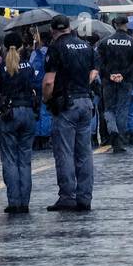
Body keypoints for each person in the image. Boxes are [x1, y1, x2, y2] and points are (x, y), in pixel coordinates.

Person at [42, 15, 99, 211]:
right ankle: (85, 197)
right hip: (85, 101)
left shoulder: (56, 48)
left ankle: (67, 196)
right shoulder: (85, 46)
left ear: (52, 31)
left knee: (65, 151)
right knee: (84, 152)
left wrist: (47, 98)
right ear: (69, 27)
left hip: (66, 104)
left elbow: (49, 81)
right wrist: (83, 85)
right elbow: (94, 72)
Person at [0, 31, 39, 213]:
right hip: (27, 112)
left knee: (10, 160)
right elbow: (36, 89)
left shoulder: (0, 68)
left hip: (9, 114)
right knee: (25, 160)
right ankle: (25, 202)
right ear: (21, 46)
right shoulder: (29, 67)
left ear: (4, 47)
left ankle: (14, 201)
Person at [94, 20, 133, 153]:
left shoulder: (104, 42)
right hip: (125, 82)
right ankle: (119, 138)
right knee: (122, 110)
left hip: (108, 82)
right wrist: (123, 75)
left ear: (115, 25)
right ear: (126, 25)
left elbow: (98, 62)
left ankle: (112, 130)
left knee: (108, 109)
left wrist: (110, 74)